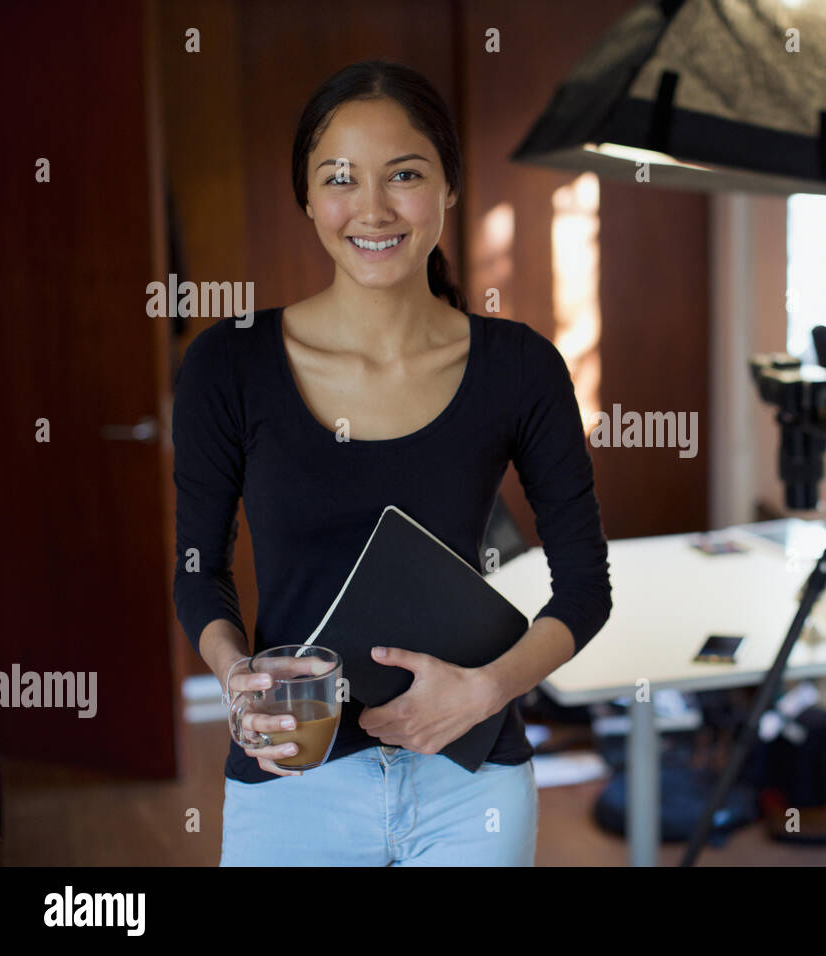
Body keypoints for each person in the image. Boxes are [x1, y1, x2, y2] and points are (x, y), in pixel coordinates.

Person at [172, 59, 612, 866]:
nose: (372, 208)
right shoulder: (226, 364)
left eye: (404, 174)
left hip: (469, 782)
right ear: (306, 196)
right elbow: (199, 575)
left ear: (448, 187)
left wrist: (487, 689)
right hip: (293, 775)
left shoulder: (520, 366)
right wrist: (236, 675)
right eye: (340, 178)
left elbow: (585, 590)